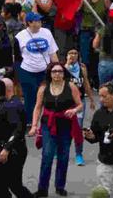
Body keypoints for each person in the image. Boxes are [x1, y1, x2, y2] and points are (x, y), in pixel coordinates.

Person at [30, 62, 84, 197]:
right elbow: (37, 107)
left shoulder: (71, 86)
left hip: (66, 124)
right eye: (54, 71)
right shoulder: (43, 88)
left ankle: (60, 186)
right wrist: (34, 126)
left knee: (63, 156)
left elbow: (80, 105)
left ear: (64, 73)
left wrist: (74, 110)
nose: (57, 74)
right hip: (48, 124)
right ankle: (42, 189)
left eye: (60, 71)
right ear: (50, 73)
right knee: (47, 155)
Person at [17, 11, 59, 124]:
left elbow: (53, 52)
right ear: (29, 23)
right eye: (37, 21)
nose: (40, 23)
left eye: (40, 21)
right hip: (27, 71)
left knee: (49, 97)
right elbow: (16, 57)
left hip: (44, 71)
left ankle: (48, 120)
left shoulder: (47, 32)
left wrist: (58, 69)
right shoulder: (20, 36)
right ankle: (30, 122)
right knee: (29, 98)